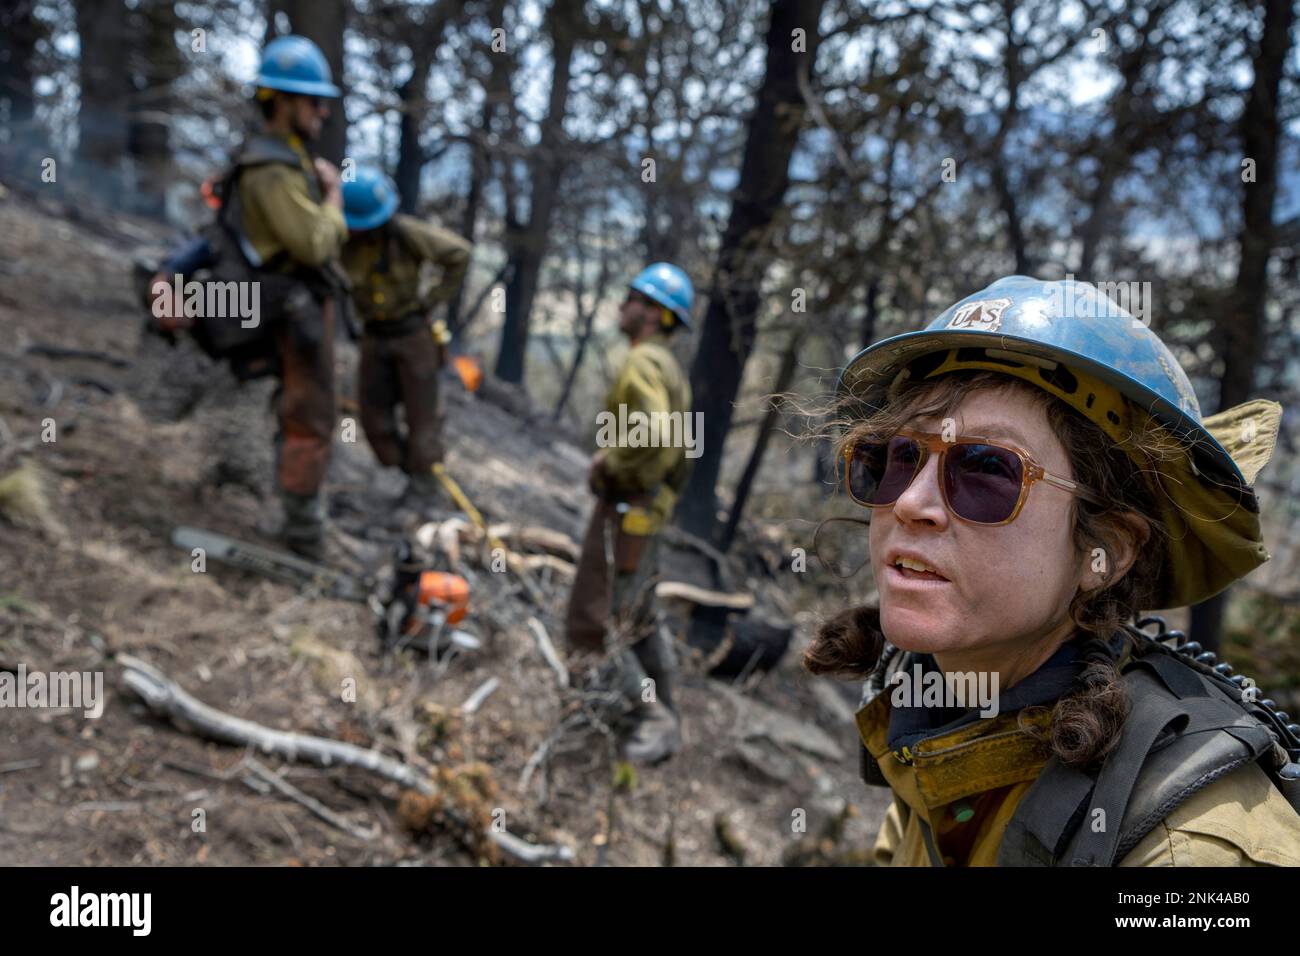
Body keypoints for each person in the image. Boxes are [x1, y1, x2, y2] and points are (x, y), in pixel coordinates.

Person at [804, 275, 1300, 866]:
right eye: (897, 456)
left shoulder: (1187, 849)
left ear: (1107, 550)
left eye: (987, 469)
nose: (910, 503)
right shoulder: (937, 728)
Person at [150, 35, 348, 560]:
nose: (321, 112)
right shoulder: (272, 169)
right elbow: (314, 242)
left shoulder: (275, 159)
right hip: (288, 307)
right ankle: (301, 534)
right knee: (309, 418)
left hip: (283, 304)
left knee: (298, 415)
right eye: (312, 101)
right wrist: (332, 200)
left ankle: (288, 514)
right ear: (280, 101)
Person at [565, 263, 694, 764]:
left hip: (625, 509)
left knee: (591, 620)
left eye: (633, 297)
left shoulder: (642, 363)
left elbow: (658, 435)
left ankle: (650, 717)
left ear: (654, 314)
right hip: (649, 509)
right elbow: (681, 448)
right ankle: (665, 709)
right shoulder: (669, 368)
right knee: (638, 614)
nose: (622, 304)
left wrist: (611, 463)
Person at [339, 166, 472, 509]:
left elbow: (458, 253)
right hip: (373, 336)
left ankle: (424, 489)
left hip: (413, 334)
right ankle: (404, 470)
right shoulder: (341, 242)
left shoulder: (405, 233)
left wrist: (430, 300)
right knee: (373, 418)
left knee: (423, 417)